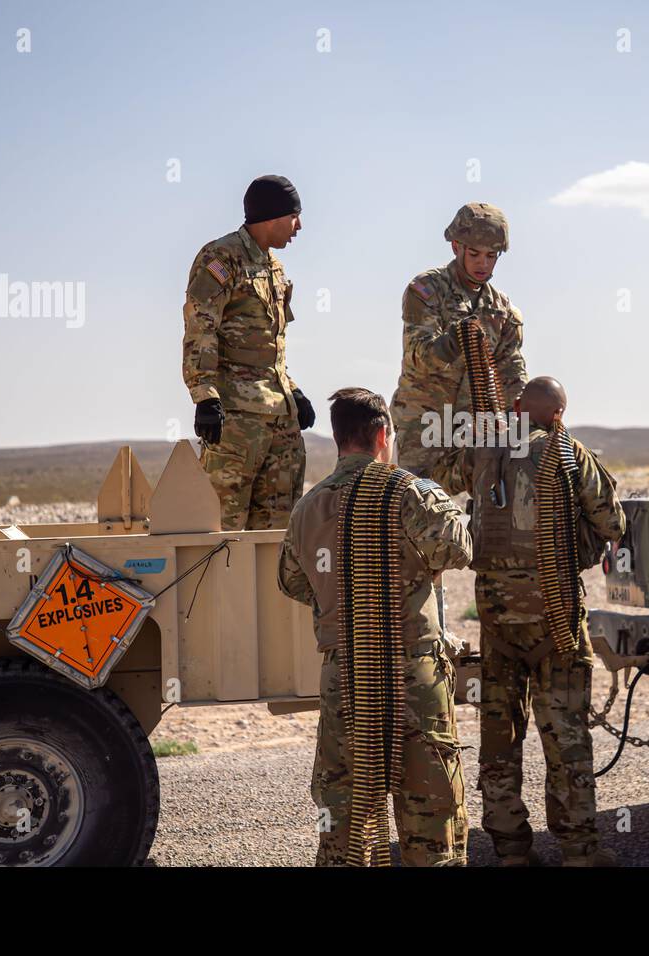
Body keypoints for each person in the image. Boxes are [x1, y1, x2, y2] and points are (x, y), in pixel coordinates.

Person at [277, 387, 472, 866]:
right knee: (431, 814)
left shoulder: (308, 508)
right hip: (412, 676)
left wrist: (341, 599)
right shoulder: (409, 492)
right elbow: (460, 549)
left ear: (337, 439)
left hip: (345, 677)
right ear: (383, 434)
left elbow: (291, 581)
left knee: (344, 811)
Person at [450, 376, 625, 866]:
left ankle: (509, 851)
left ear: (517, 406)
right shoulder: (568, 453)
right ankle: (579, 850)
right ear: (558, 415)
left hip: (495, 621)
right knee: (566, 737)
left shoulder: (483, 450)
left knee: (498, 739)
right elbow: (612, 522)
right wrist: (576, 550)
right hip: (556, 620)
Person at [183, 174, 317, 530]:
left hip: (279, 419)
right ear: (272, 216)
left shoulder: (275, 269)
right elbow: (201, 326)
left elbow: (273, 345)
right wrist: (204, 396)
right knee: (221, 531)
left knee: (277, 533)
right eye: (294, 217)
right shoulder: (222, 258)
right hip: (237, 421)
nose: (299, 226)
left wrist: (292, 390)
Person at [390, 202, 528, 495]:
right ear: (456, 247)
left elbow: (512, 374)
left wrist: (522, 419)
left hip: (475, 429)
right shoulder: (426, 290)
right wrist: (453, 340)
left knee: (490, 504)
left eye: (492, 256)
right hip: (425, 423)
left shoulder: (503, 310)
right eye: (475, 254)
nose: (484, 264)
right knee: (419, 505)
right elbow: (419, 356)